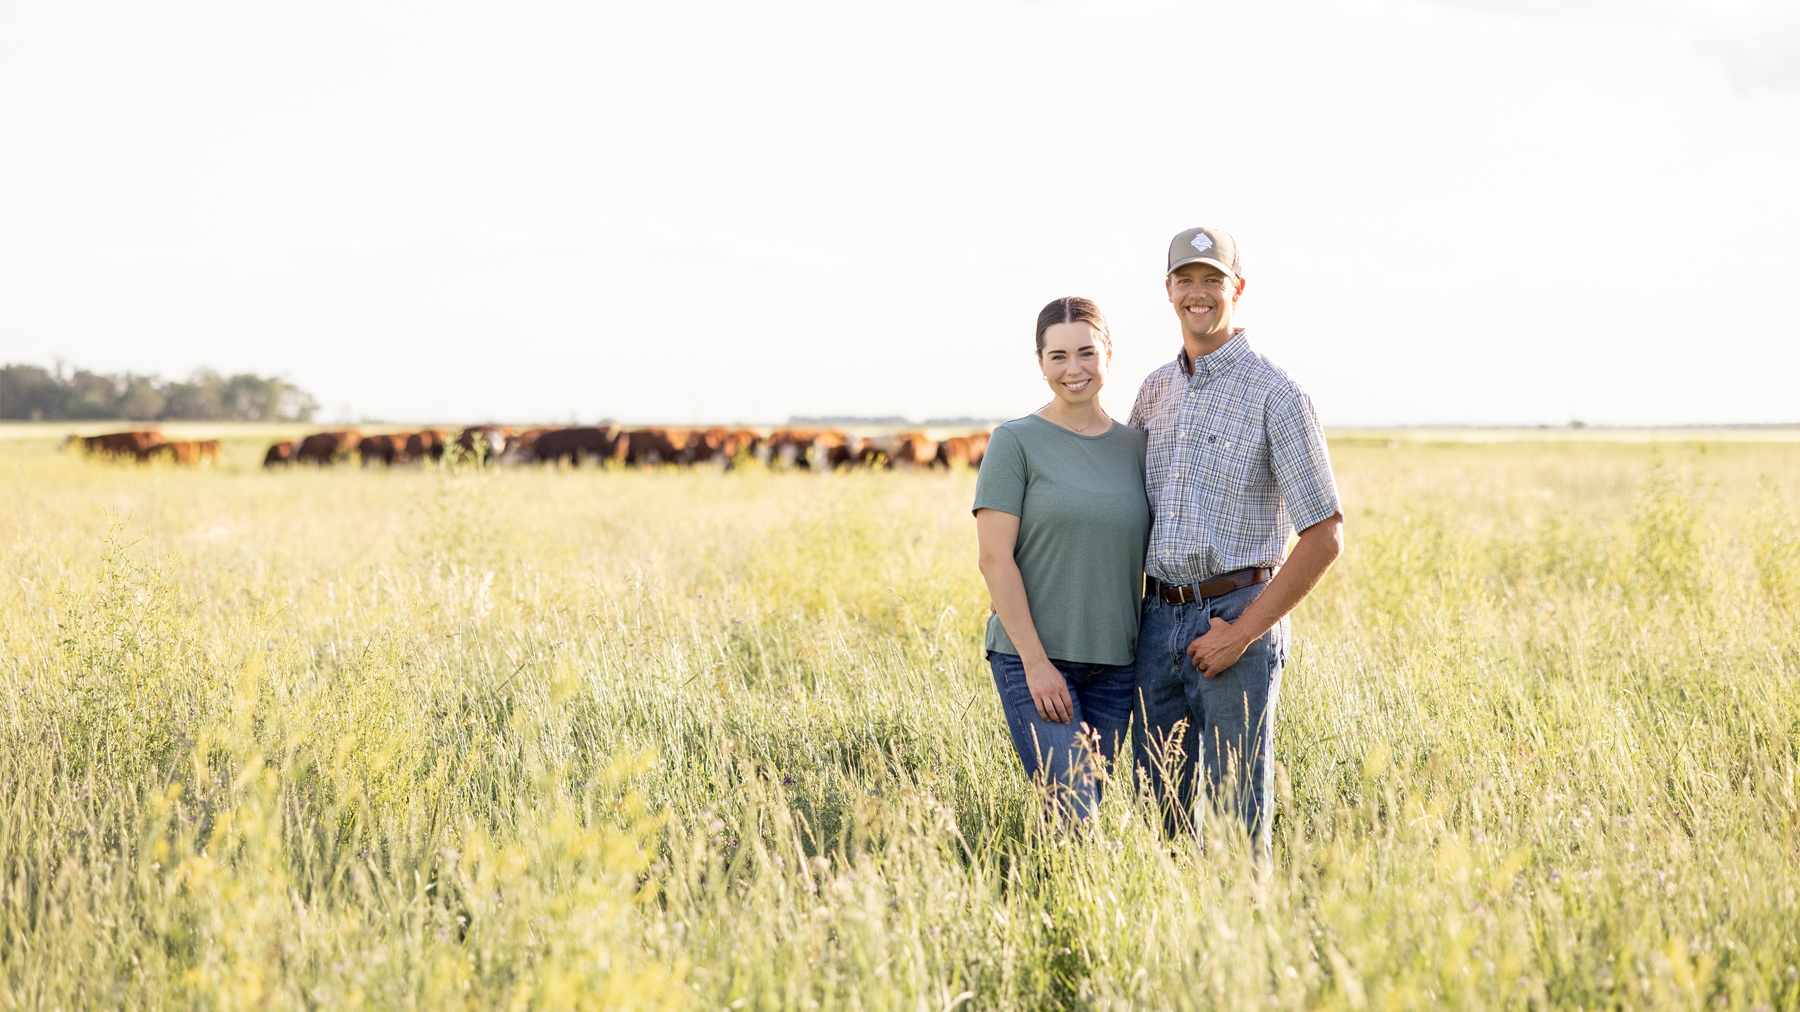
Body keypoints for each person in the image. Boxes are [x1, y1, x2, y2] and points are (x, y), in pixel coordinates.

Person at [1128, 226, 1343, 855]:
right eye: (1186, 280)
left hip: (1234, 620)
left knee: (1236, 821)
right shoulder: (1152, 391)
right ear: (1168, 290)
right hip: (1155, 620)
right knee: (1157, 814)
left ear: (1237, 289)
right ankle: (1171, 942)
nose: (1199, 294)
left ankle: (1240, 945)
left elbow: (1325, 535)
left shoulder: (1278, 393)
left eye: (1212, 280)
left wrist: (1241, 632)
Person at [974, 297, 1150, 820]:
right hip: (1034, 660)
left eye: (1086, 353)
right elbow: (994, 560)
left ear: (1109, 355)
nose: (1074, 369)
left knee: (1084, 806)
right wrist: (1036, 663)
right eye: (1058, 357)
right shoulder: (1015, 443)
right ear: (1041, 362)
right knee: (1076, 811)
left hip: (1117, 667)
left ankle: (1056, 894)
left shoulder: (1137, 447)